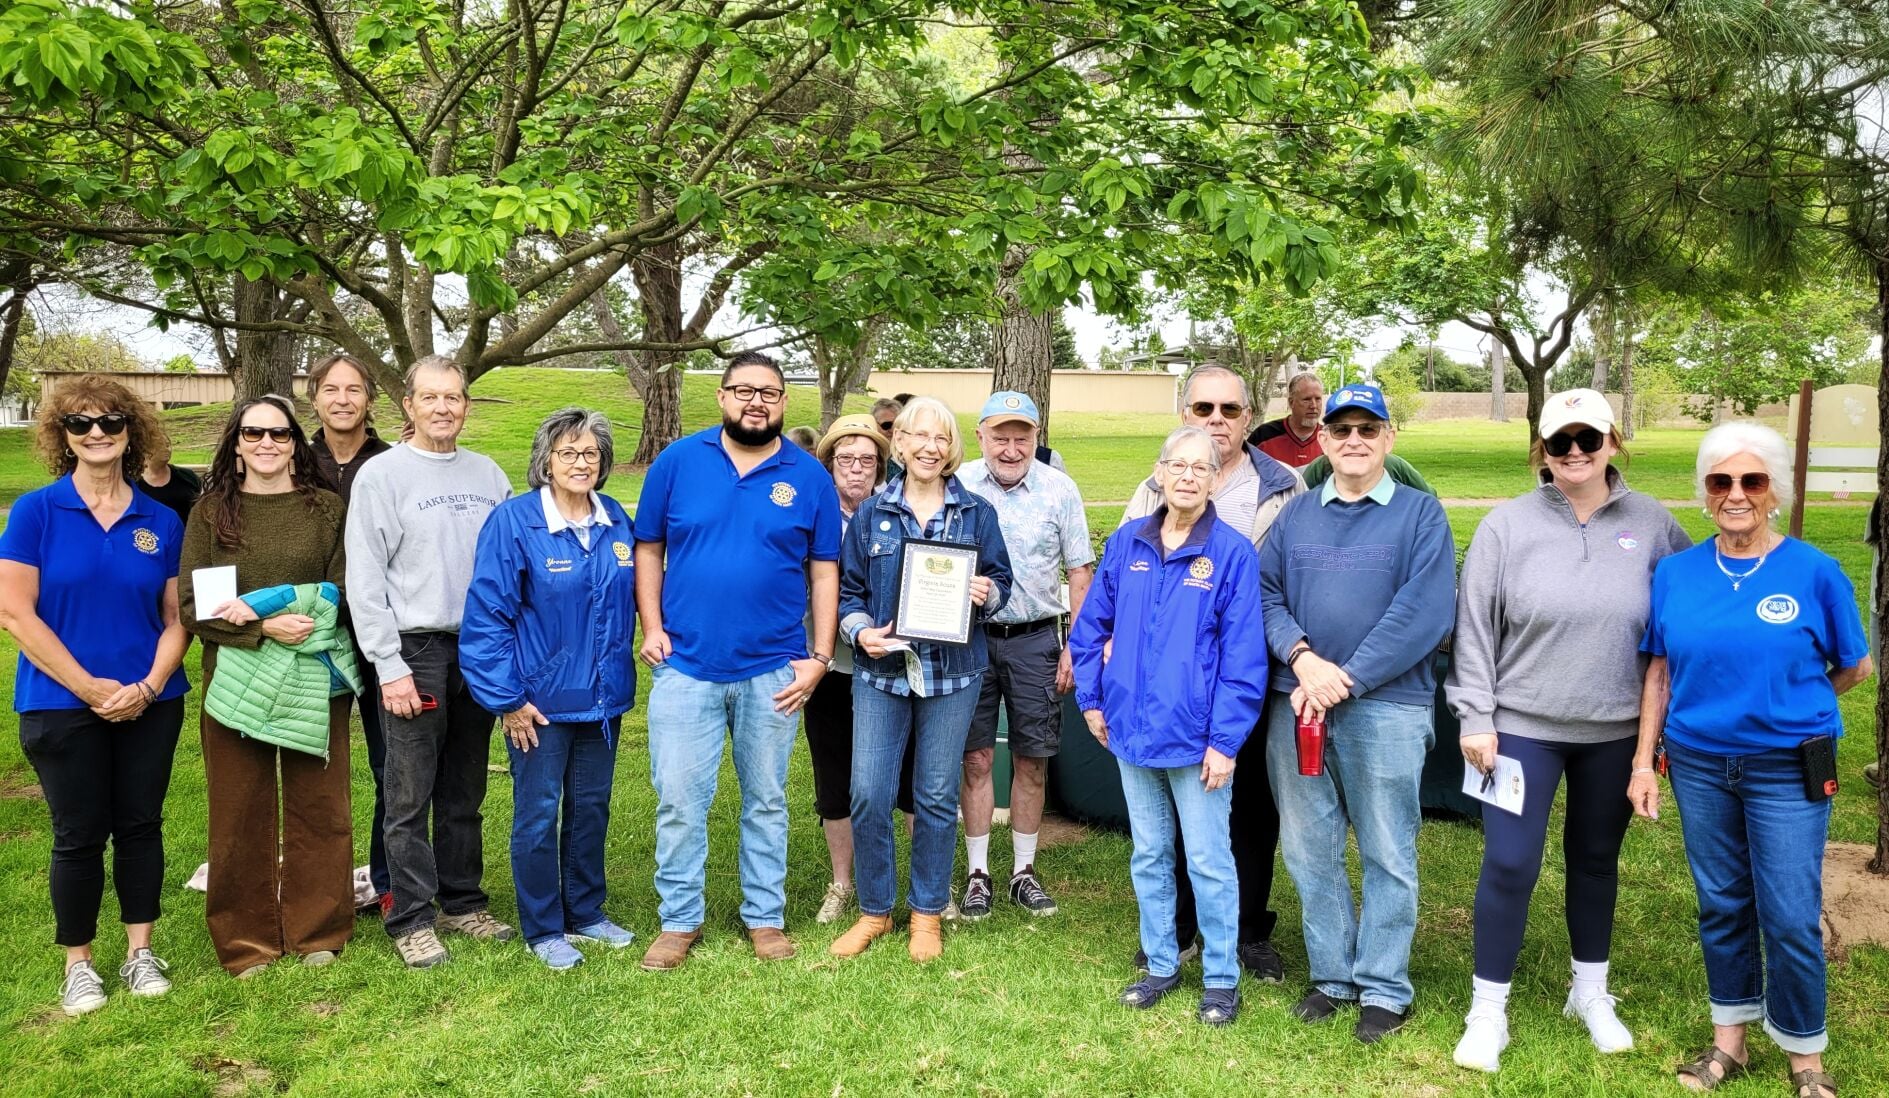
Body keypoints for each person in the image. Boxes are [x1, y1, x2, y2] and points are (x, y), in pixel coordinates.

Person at [1445, 390, 1691, 1072]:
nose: (1575, 452)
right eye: (1560, 442)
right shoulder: (1505, 526)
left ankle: (1589, 992)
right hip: (1519, 728)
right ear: (1542, 451)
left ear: (1613, 442)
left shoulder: (1653, 524)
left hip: (1615, 731)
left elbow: (1688, 607)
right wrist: (1475, 716)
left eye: (1588, 438)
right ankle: (1487, 1010)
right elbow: (1473, 628)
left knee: (1594, 859)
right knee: (1510, 861)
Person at [1634, 423, 1869, 1098]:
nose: (1735, 494)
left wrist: (1793, 703)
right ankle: (1729, 1042)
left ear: (1773, 492)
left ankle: (1803, 1054)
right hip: (1699, 764)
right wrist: (1644, 761)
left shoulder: (1815, 571)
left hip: (1787, 767)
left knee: (1789, 913)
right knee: (1721, 903)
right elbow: (1658, 671)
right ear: (1705, 492)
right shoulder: (1676, 573)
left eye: (1751, 480)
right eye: (1720, 481)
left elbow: (1854, 666)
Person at [1261, 382, 1455, 1044]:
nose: (1353, 440)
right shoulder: (1295, 516)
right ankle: (1332, 977)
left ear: (1388, 438)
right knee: (1308, 848)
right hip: (1298, 703)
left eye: (1367, 429)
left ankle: (1383, 986)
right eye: (1340, 429)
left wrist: (1342, 679)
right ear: (1321, 439)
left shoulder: (1420, 514)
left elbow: (1423, 612)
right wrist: (1302, 658)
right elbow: (1264, 594)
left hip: (1385, 707)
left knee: (1386, 848)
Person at [633, 351, 841, 970]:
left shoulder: (808, 476)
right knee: (679, 799)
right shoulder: (677, 462)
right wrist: (652, 627)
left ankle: (764, 916)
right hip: (687, 664)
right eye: (744, 390)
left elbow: (823, 570)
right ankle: (679, 920)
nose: (757, 402)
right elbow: (648, 548)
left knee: (767, 800)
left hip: (773, 668)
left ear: (783, 403)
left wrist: (820, 655)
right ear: (722, 397)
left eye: (769, 393)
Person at [0, 379, 189, 1015]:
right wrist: (86, 687)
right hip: (58, 702)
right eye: (80, 423)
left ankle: (140, 952)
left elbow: (177, 617)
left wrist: (148, 686)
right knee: (78, 833)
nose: (97, 432)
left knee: (140, 824)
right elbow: (15, 612)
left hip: (150, 701)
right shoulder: (36, 512)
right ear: (63, 435)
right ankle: (78, 964)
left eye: (110, 420)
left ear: (131, 430)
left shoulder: (161, 520)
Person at [1072, 425, 1268, 1025]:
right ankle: (1161, 963)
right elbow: (1090, 628)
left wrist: (1225, 742)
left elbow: (1243, 659)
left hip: (1197, 739)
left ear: (1214, 479)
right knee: (1151, 853)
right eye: (1177, 465)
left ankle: (1221, 978)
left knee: (1208, 860)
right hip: (1131, 732)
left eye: (1199, 468)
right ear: (1159, 474)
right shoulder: (1127, 541)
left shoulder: (1232, 554)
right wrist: (1092, 700)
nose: (1187, 476)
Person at [1120, 364, 1303, 982]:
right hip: (1174, 685)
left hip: (1254, 669)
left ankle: (1246, 931)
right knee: (1174, 808)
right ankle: (1176, 930)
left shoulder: (1283, 486)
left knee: (1249, 806)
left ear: (1248, 417)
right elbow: (1125, 575)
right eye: (1203, 409)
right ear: (1185, 415)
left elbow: (1295, 576)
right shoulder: (1155, 487)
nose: (1216, 420)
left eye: (1229, 409)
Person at [829, 397, 1013, 964]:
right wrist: (860, 632)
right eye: (919, 436)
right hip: (881, 673)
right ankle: (875, 910)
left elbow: (1002, 581)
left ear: (951, 447)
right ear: (901, 443)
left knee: (935, 795)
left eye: (942, 437)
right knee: (868, 792)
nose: (931, 447)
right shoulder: (872, 515)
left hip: (952, 675)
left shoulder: (977, 514)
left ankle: (927, 911)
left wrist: (987, 592)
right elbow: (849, 593)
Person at [347, 355, 515, 969]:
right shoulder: (382, 475)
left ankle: (462, 902)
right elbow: (365, 579)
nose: (443, 408)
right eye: (431, 397)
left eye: (454, 397)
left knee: (465, 788)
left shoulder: (488, 473)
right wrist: (387, 665)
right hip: (413, 649)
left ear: (466, 405)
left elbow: (510, 562)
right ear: (409, 405)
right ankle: (411, 916)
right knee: (408, 793)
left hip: (479, 647)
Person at [180, 395, 356, 977]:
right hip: (237, 678)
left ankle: (317, 931)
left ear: (295, 444)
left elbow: (340, 592)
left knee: (320, 806)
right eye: (253, 433)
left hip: (313, 673)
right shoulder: (212, 513)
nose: (266, 444)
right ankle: (246, 940)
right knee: (239, 809)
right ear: (236, 444)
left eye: (279, 434)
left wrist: (282, 615)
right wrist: (262, 627)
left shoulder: (325, 509)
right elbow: (195, 606)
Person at [461, 408, 639, 971]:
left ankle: (584, 912)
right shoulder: (514, 522)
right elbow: (486, 619)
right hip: (537, 705)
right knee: (538, 814)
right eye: (568, 452)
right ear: (546, 460)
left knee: (591, 809)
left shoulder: (614, 518)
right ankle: (542, 927)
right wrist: (508, 700)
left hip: (602, 700)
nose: (581, 462)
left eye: (591, 453)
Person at [957, 390, 1094, 920]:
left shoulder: (1060, 489)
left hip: (1036, 639)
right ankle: (978, 874)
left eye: (1022, 438)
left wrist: (1075, 646)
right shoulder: (959, 484)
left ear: (1037, 437)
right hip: (969, 637)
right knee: (975, 758)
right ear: (981, 437)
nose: (1011, 449)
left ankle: (1023, 872)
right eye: (1001, 437)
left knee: (1031, 758)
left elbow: (1079, 571)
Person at [803, 414, 916, 925]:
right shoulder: (812, 515)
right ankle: (842, 884)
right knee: (835, 774)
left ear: (880, 466)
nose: (855, 468)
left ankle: (927, 883)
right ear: (829, 464)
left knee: (911, 773)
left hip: (894, 665)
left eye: (867, 460)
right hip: (829, 664)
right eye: (845, 459)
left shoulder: (898, 510)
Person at [306, 352, 397, 916]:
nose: (343, 399)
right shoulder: (293, 460)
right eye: (331, 389)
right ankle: (316, 890)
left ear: (369, 398)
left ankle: (389, 883)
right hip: (311, 635)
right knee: (312, 767)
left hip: (381, 632)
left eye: (354, 389)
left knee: (393, 766)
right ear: (314, 396)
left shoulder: (392, 462)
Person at [1247, 371, 1325, 467]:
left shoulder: (1332, 438)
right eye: (1306, 399)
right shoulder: (1263, 436)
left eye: (1318, 399)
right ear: (1291, 403)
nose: (1314, 406)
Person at [137, 437, 201, 525]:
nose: (167, 449)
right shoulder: (133, 482)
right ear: (145, 450)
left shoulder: (187, 476)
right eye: (160, 445)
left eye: (168, 445)